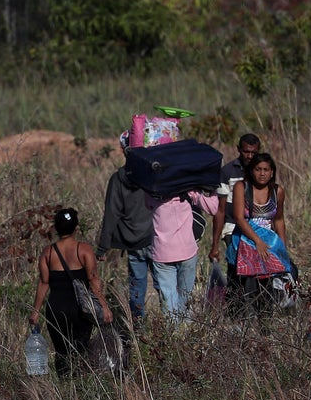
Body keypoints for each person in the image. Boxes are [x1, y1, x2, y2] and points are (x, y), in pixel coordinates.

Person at [30, 208, 113, 376]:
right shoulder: (84, 250)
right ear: (76, 227)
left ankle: (64, 388)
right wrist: (104, 307)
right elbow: (93, 280)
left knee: (62, 353)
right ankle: (79, 388)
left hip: (56, 309)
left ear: (56, 228)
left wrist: (35, 312)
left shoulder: (48, 252)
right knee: (81, 351)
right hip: (79, 309)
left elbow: (44, 282)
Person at [226, 153, 294, 318]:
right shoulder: (242, 187)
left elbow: (278, 220)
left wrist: (281, 249)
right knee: (244, 289)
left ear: (272, 172)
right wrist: (257, 241)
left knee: (267, 290)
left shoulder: (277, 192)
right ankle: (242, 325)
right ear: (252, 170)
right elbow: (239, 218)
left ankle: (265, 328)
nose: (262, 173)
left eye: (266, 170)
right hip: (244, 241)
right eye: (258, 169)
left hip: (268, 243)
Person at [96, 130, 154, 322]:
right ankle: (169, 329)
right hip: (155, 238)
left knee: (137, 287)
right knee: (164, 284)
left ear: (123, 150)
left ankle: (138, 327)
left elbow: (112, 214)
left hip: (133, 242)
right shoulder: (153, 174)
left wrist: (103, 246)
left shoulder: (118, 179)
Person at [148, 190, 219, 321]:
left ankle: (172, 335)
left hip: (162, 252)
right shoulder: (189, 191)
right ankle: (185, 333)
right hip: (186, 250)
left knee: (168, 298)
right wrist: (213, 189)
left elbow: (147, 205)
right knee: (185, 296)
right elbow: (213, 208)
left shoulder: (153, 191)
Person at [209, 134, 261, 263]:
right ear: (238, 149)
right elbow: (220, 210)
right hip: (232, 228)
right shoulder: (227, 172)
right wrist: (215, 244)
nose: (249, 156)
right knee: (238, 263)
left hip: (258, 227)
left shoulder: (262, 172)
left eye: (253, 153)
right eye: (246, 152)